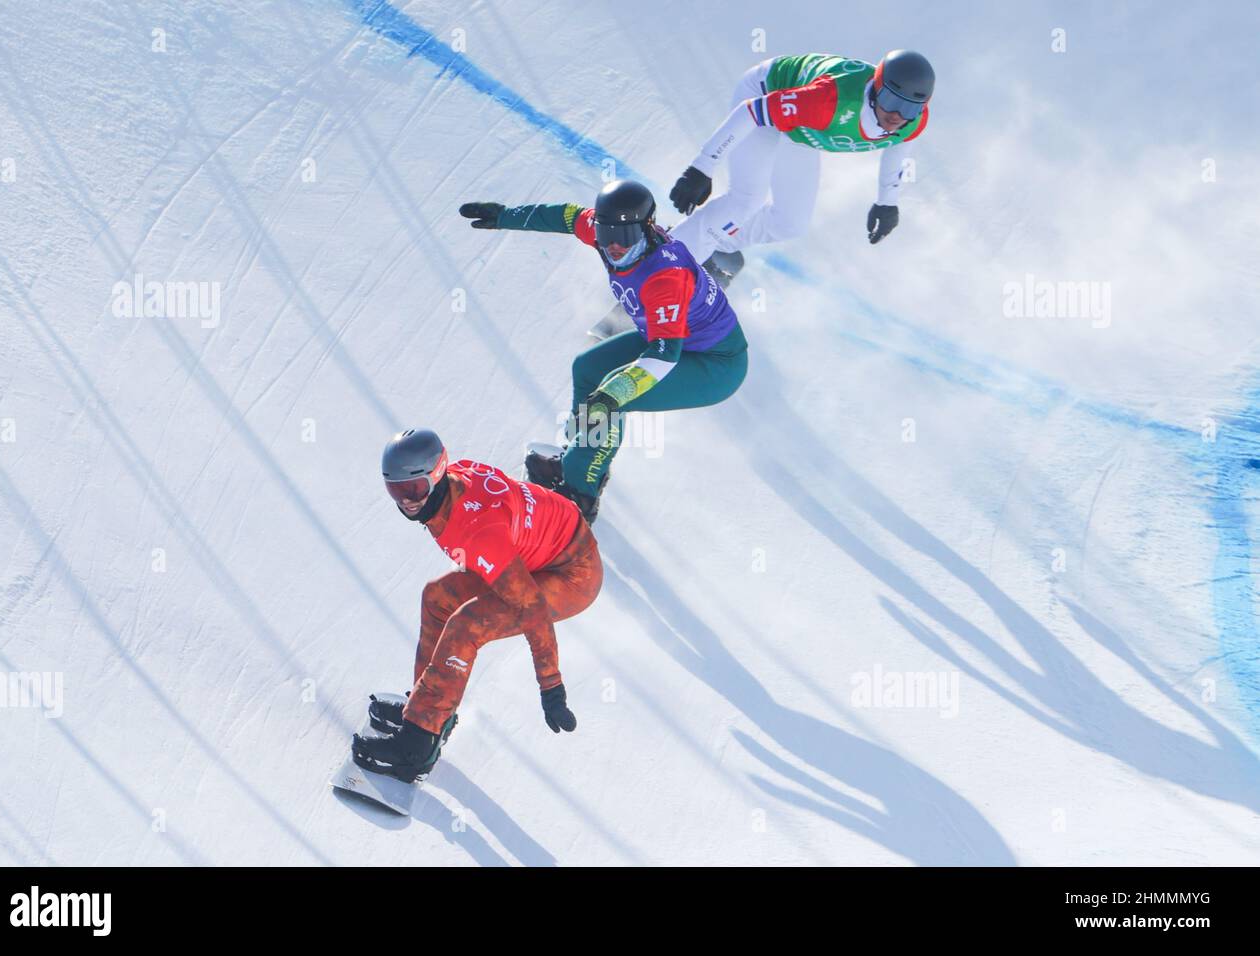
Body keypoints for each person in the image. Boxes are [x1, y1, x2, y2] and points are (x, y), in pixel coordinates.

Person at [458, 180, 749, 522]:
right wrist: (505, 216)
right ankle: (581, 461)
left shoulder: (665, 279)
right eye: (605, 232)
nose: (612, 246)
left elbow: (663, 356)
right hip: (681, 340)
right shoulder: (611, 235)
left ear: (647, 229)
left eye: (623, 238)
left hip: (715, 366)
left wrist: (612, 396)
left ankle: (578, 496)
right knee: (588, 367)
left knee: (611, 394)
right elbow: (566, 217)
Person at [351, 428, 603, 783]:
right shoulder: (457, 479)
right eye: (396, 489)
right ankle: (424, 712)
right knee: (437, 599)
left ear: (437, 475)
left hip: (572, 574)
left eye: (414, 489)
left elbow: (532, 610)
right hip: (540, 552)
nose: (406, 501)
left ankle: (416, 747)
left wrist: (551, 687)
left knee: (466, 624)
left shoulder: (479, 533)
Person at [668, 49, 935, 265]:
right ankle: (668, 259)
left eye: (909, 107)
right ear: (876, 89)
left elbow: (898, 147)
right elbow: (751, 111)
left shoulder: (913, 122)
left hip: (802, 130)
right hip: (763, 97)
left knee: (789, 223)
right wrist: (702, 167)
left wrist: (886, 203)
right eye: (891, 101)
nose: (896, 116)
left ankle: (711, 243)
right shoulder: (830, 101)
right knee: (746, 200)